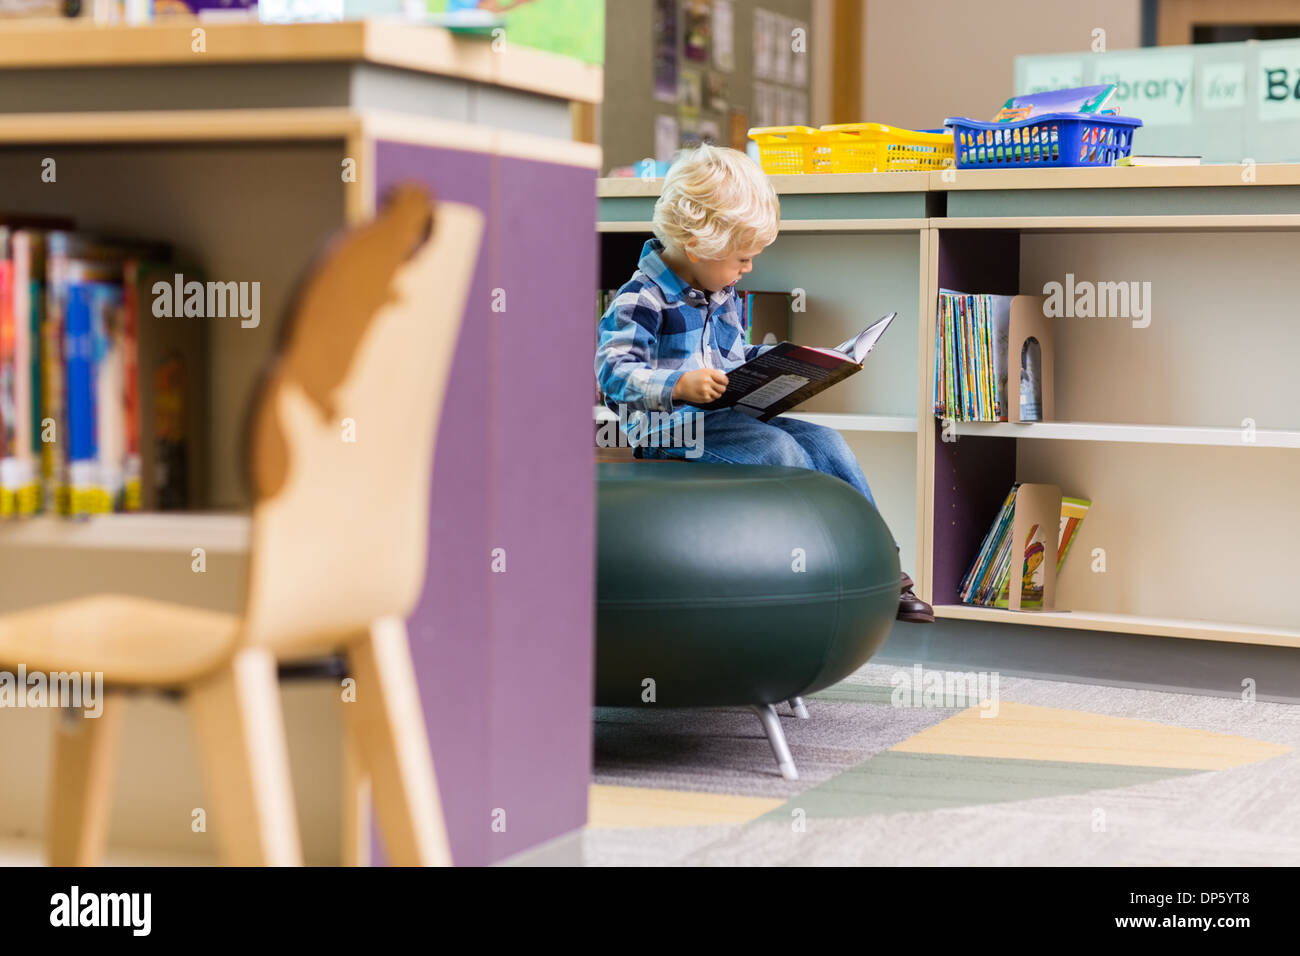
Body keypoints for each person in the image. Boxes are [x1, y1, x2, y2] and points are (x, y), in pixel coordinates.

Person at [594, 143, 933, 623]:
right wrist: (678, 385)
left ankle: (880, 562)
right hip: (671, 435)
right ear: (698, 246)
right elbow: (612, 373)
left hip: (726, 419)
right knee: (778, 452)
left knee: (828, 443)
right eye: (741, 258)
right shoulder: (640, 299)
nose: (747, 268)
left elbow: (732, 356)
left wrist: (788, 361)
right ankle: (805, 573)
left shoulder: (719, 288)